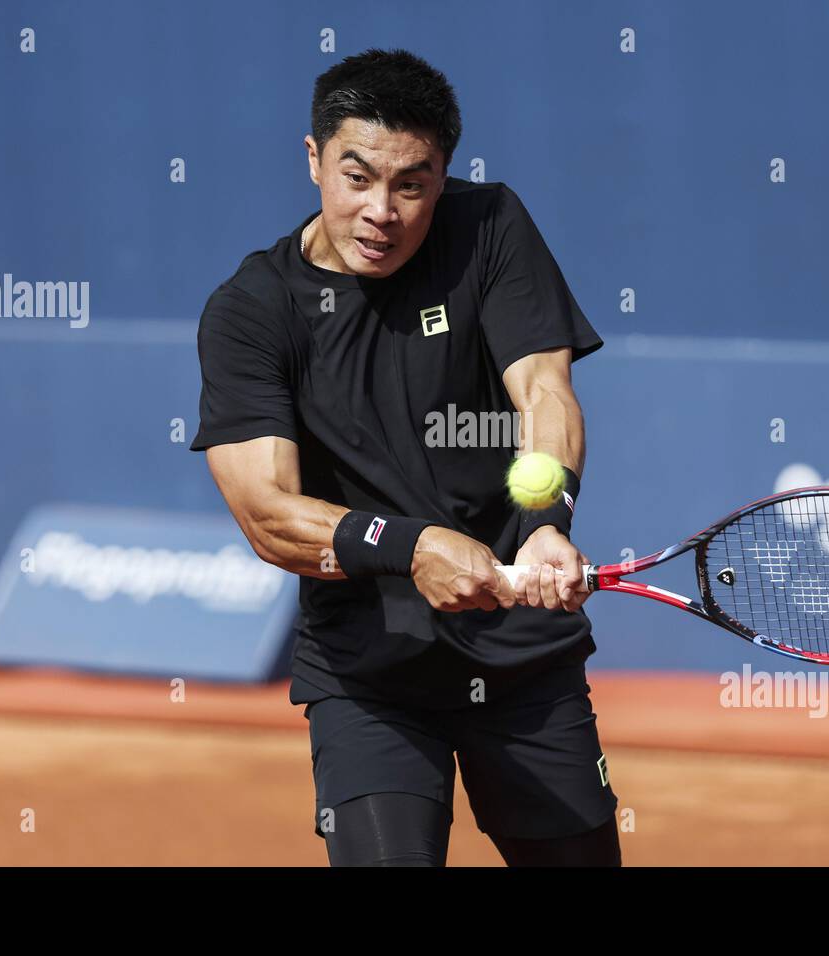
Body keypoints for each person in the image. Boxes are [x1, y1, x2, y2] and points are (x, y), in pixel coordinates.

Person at [190, 48, 619, 866]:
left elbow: (544, 395)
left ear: (444, 175)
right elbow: (268, 514)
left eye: (412, 185)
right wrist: (413, 547)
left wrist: (544, 525)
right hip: (370, 680)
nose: (381, 210)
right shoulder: (252, 312)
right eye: (357, 178)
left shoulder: (489, 227)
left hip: (520, 659)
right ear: (312, 159)